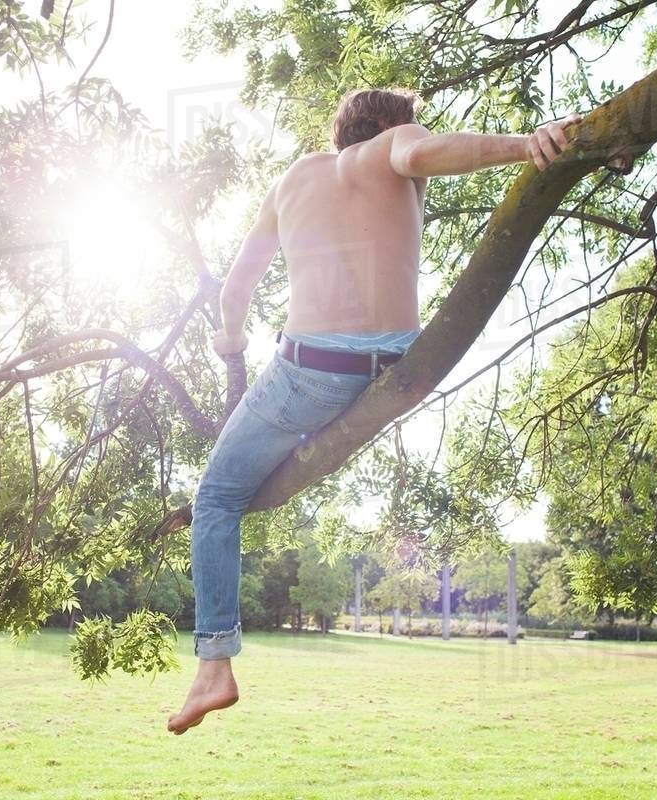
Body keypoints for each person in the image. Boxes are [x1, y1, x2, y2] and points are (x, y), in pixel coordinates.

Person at [167, 88, 582, 735]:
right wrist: (525, 145)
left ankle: (215, 663)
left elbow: (238, 286)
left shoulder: (294, 180)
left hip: (311, 373)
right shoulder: (395, 143)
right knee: (226, 496)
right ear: (389, 124)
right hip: (399, 366)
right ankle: (215, 666)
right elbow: (433, 150)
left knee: (215, 500)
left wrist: (230, 338)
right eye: (410, 126)